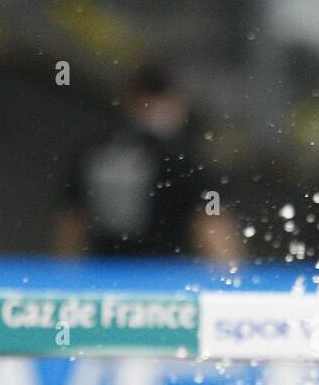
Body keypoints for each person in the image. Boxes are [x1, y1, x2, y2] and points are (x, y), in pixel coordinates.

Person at [53, 65, 241, 262]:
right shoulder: (181, 157)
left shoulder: (94, 150)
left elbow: (71, 226)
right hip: (162, 277)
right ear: (177, 101)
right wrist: (231, 281)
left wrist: (67, 279)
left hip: (104, 275)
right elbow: (212, 225)